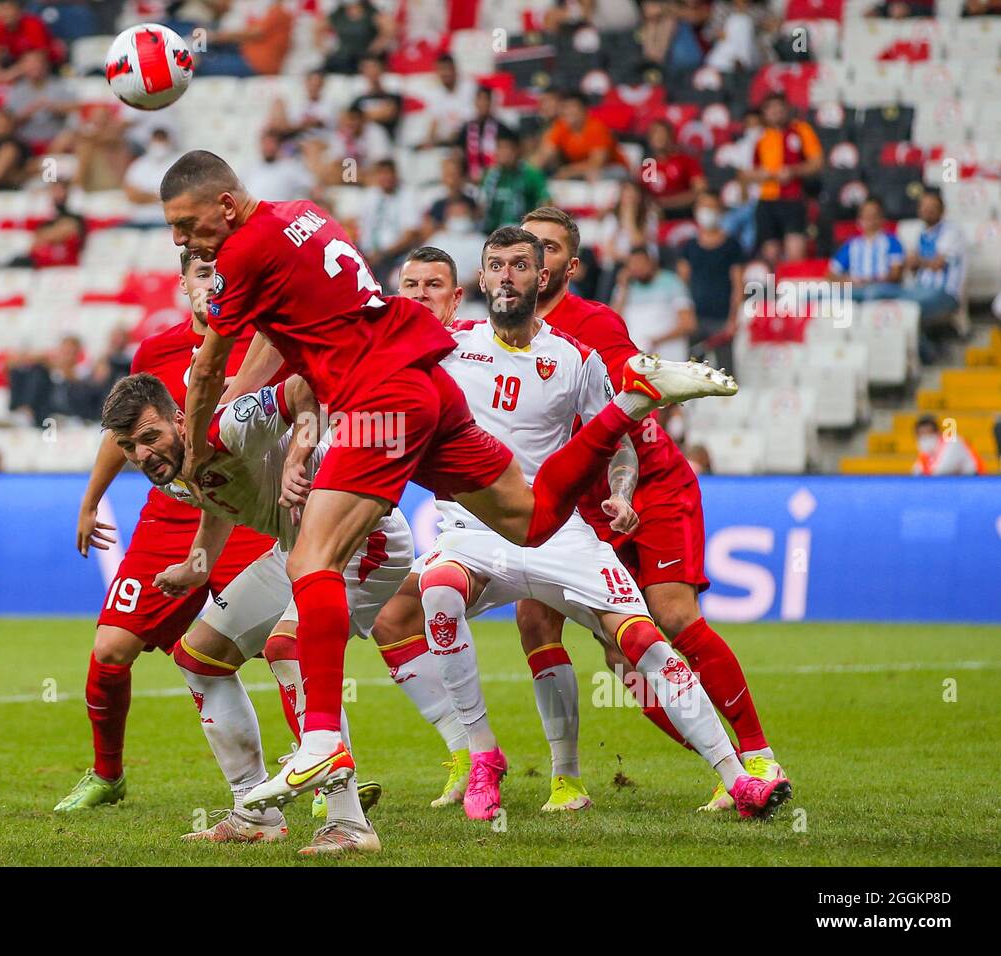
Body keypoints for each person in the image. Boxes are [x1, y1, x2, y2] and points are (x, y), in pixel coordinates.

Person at [155, 151, 761, 818]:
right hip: (425, 382)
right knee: (530, 519)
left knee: (311, 560)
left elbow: (208, 365)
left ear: (226, 205)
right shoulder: (305, 215)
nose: (180, 239)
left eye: (185, 223)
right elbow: (280, 336)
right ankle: (632, 401)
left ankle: (323, 739)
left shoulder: (242, 252)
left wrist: (197, 444)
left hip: (376, 401)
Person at [522, 205, 786, 811]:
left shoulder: (594, 323)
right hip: (577, 505)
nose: (537, 256)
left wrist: (622, 487)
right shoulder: (501, 335)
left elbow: (634, 402)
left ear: (572, 265)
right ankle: (726, 771)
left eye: (551, 247)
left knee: (672, 614)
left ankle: (758, 754)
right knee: (608, 650)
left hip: (651, 483)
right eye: (528, 245)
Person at [376, 244, 641, 815]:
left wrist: (619, 494)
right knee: (395, 613)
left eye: (432, 287)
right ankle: (469, 751)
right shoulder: (409, 355)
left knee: (560, 628)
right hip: (468, 532)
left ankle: (567, 777)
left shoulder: (477, 344)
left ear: (456, 297)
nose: (420, 297)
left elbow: (614, 438)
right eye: (410, 286)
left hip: (543, 525)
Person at [107, 368, 413, 855]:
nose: (142, 454)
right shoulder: (168, 469)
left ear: (181, 421)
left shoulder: (228, 425)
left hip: (361, 536)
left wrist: (297, 455)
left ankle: (349, 823)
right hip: (297, 547)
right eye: (129, 446)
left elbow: (304, 389)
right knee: (199, 659)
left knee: (289, 647)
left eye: (149, 437)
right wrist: (196, 566)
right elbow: (215, 500)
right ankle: (255, 814)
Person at [54, 252, 277, 815]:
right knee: (110, 650)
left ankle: (324, 775)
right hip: (172, 514)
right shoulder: (155, 351)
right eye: (200, 272)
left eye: (220, 271)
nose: (211, 282)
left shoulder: (264, 341)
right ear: (182, 283)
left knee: (283, 644)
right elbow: (121, 433)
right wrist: (91, 500)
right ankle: (107, 774)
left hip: (244, 511)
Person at [746, 94, 822, 262]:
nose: (776, 111)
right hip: (767, 200)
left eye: (779, 107)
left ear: (787, 108)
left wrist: (793, 171)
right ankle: (773, 280)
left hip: (793, 199)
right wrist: (763, 175)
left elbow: (817, 163)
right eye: (771, 108)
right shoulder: (760, 137)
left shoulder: (801, 130)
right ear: (764, 113)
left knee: (795, 252)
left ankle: (794, 280)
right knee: (770, 254)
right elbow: (748, 172)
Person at [677, 192, 745, 369]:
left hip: (721, 319)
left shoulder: (731, 246)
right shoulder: (689, 247)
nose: (707, 211)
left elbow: (738, 285)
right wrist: (685, 316)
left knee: (725, 372)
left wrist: (733, 319)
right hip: (695, 319)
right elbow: (681, 285)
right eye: (703, 206)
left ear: (720, 210)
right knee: (691, 373)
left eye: (712, 206)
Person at [902, 188, 967, 357]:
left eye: (932, 207)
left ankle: (930, 352)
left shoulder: (951, 231)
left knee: (909, 310)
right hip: (919, 291)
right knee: (897, 307)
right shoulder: (920, 234)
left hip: (946, 293)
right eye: (924, 206)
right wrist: (916, 262)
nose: (927, 210)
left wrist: (918, 260)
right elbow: (912, 264)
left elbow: (938, 264)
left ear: (942, 210)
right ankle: (928, 349)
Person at [613, 246, 697, 362]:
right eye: (633, 264)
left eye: (641, 262)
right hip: (637, 359)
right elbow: (613, 322)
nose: (637, 268)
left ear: (652, 262)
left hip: (668, 356)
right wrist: (623, 288)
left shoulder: (672, 283)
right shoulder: (626, 288)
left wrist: (655, 341)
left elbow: (688, 324)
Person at [535, 92, 630, 181]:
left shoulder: (596, 128)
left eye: (573, 107)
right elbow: (544, 153)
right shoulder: (560, 127)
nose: (569, 112)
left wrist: (568, 171)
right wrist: (531, 172)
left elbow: (596, 163)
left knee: (593, 174)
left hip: (612, 169)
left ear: (585, 110)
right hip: (577, 171)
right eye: (565, 107)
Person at [827, 197, 904, 302]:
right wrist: (849, 282)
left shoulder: (892, 242)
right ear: (859, 220)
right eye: (866, 215)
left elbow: (896, 274)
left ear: (881, 218)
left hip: (881, 291)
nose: (870, 219)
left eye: (873, 215)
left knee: (872, 293)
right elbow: (831, 274)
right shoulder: (852, 244)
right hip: (856, 291)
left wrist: (871, 281)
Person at [478, 129, 551, 234]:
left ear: (517, 150)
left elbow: (546, 201)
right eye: (499, 148)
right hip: (489, 233)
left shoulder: (531, 174)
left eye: (506, 148)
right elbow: (480, 206)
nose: (502, 153)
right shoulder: (489, 175)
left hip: (521, 234)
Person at [641, 119, 706, 219]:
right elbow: (644, 193)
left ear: (670, 137)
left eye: (662, 133)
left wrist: (669, 203)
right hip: (656, 216)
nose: (659, 137)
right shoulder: (648, 164)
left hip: (684, 213)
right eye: (655, 134)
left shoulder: (685, 160)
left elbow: (700, 189)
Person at [454, 86, 513, 184]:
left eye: (486, 100)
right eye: (480, 99)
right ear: (475, 102)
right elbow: (458, 152)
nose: (483, 103)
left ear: (491, 103)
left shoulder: (502, 129)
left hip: (496, 181)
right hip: (470, 180)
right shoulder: (467, 128)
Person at [912, 415, 982, 476]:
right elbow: (916, 470)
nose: (925, 438)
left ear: (938, 432)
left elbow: (942, 471)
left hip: (976, 480)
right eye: (921, 435)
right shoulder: (928, 452)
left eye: (928, 434)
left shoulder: (953, 442)